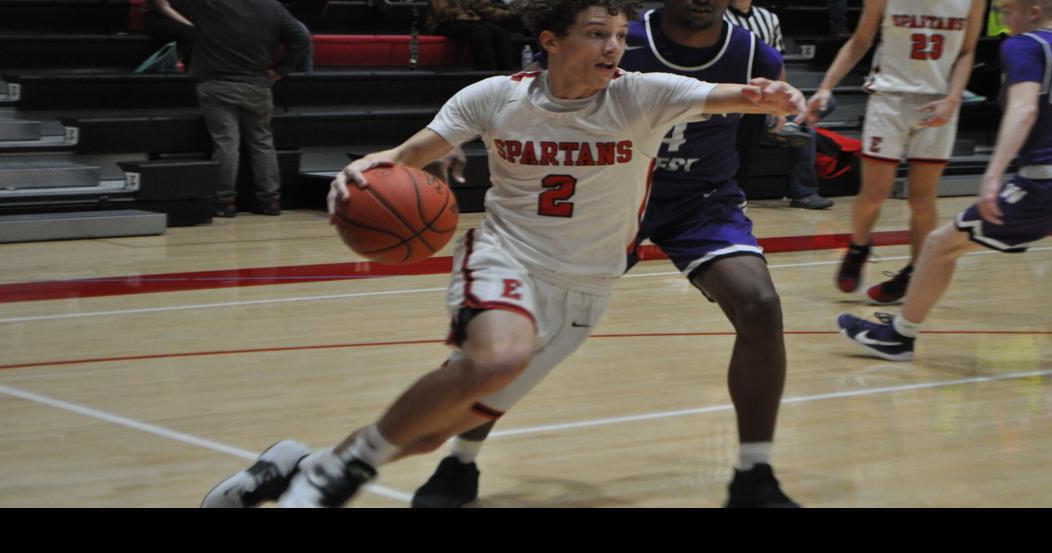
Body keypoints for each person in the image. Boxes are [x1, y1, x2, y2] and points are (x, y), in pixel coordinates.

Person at [201, 0, 808, 508]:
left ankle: (297, 463)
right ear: (551, 40)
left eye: (621, 36)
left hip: (586, 287)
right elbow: (404, 155)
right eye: (597, 34)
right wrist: (361, 170)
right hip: (506, 258)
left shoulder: (642, 96)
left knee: (427, 434)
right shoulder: (494, 97)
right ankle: (332, 480)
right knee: (498, 357)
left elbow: (728, 96)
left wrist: (769, 96)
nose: (614, 48)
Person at [407, 0, 804, 509]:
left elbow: (762, 120)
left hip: (697, 199)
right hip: (600, 193)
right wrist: (458, 134)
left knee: (760, 305)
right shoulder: (621, 33)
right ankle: (459, 460)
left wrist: (783, 105)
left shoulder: (755, 52)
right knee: (514, 336)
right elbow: (540, 85)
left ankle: (755, 475)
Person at [836, 0, 1052, 362]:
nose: (1004, 21)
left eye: (1007, 12)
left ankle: (900, 336)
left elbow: (1024, 109)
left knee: (940, 247)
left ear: (1033, 11)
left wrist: (992, 177)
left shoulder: (1025, 44)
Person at [805, 0, 985, 304]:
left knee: (922, 199)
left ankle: (917, 271)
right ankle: (858, 247)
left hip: (939, 103)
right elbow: (860, 39)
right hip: (889, 98)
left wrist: (953, 98)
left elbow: (968, 50)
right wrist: (826, 87)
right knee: (874, 193)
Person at [175, 0, 312, 218]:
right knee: (262, 143)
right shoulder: (272, 7)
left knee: (226, 143)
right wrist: (281, 70)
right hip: (257, 85)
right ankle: (270, 200)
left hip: (216, 84)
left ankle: (225, 202)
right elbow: (301, 37)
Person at [725, 0, 833, 209]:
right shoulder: (720, 18)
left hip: (768, 99)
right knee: (798, 126)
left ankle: (805, 191)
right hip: (738, 98)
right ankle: (777, 129)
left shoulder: (769, 18)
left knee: (810, 114)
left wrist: (781, 105)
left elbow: (778, 65)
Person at [426, 0, 524, 71]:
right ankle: (483, 72)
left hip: (468, 21)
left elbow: (484, 7)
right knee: (481, 32)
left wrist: (507, 14)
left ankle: (506, 73)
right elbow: (444, 13)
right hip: (443, 23)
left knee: (500, 33)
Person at [144, 0, 197, 68]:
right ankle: (175, 66)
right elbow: (165, 8)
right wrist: (190, 25)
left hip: (183, 18)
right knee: (190, 32)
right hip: (159, 17)